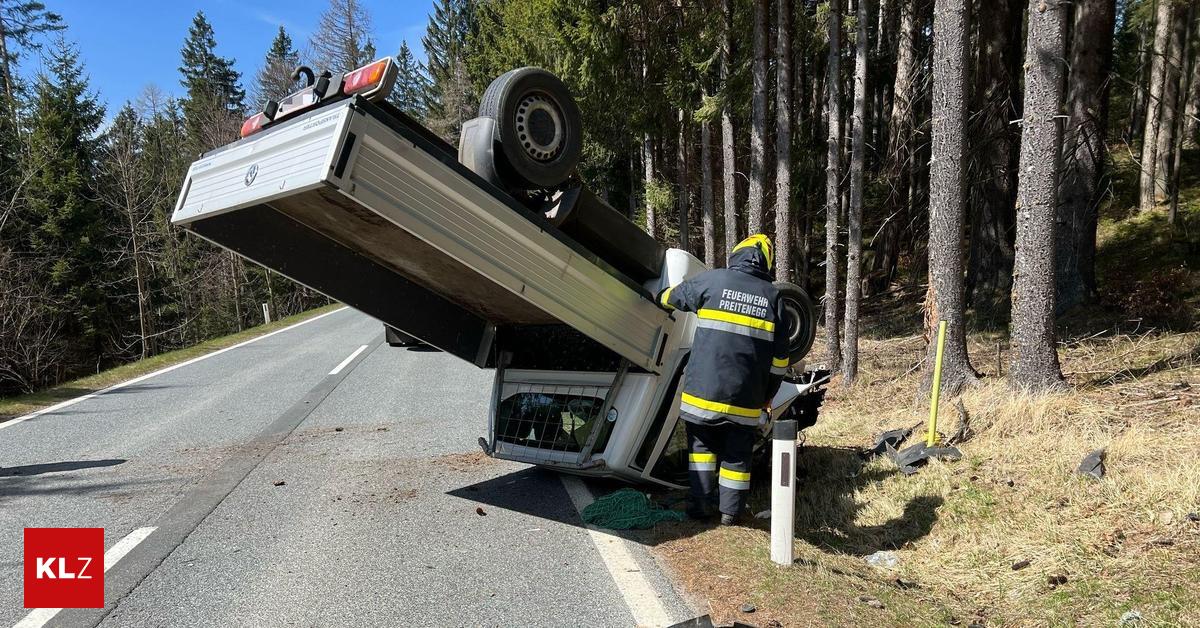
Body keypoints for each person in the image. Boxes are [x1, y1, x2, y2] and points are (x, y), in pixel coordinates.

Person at [655, 234, 790, 525]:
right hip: (745, 398)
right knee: (737, 457)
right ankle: (730, 512)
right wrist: (767, 393)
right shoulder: (773, 297)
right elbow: (780, 360)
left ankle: (701, 506)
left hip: (702, 394)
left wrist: (659, 297)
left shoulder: (712, 280)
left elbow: (674, 297)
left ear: (736, 254)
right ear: (767, 263)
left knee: (701, 450)